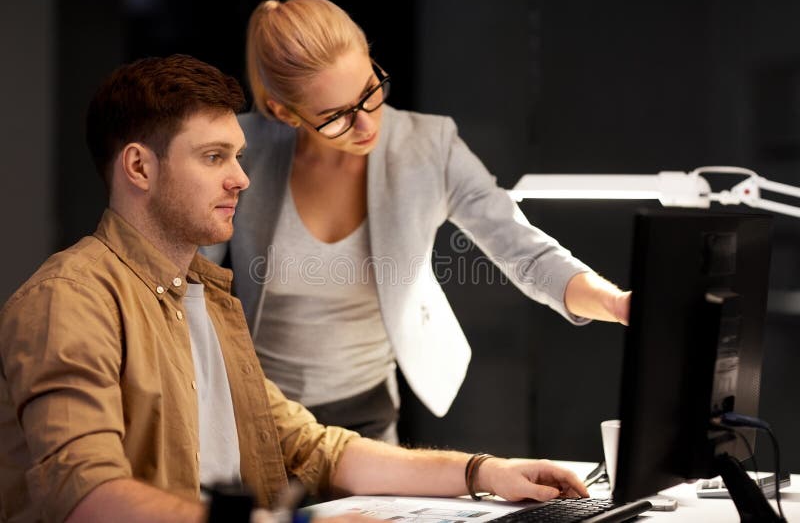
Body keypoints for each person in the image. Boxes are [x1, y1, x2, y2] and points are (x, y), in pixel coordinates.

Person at [0, 53, 590, 523]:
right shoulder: (68, 300)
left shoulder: (204, 297)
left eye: (237, 155)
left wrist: (486, 473)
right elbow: (85, 498)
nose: (240, 178)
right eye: (213, 157)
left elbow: (313, 446)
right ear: (139, 168)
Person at [201, 0, 631, 443]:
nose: (367, 125)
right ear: (283, 112)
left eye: (369, 92)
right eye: (336, 117)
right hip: (257, 411)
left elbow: (521, 248)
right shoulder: (241, 148)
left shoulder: (429, 146)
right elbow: (190, 279)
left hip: (368, 415)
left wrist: (614, 303)